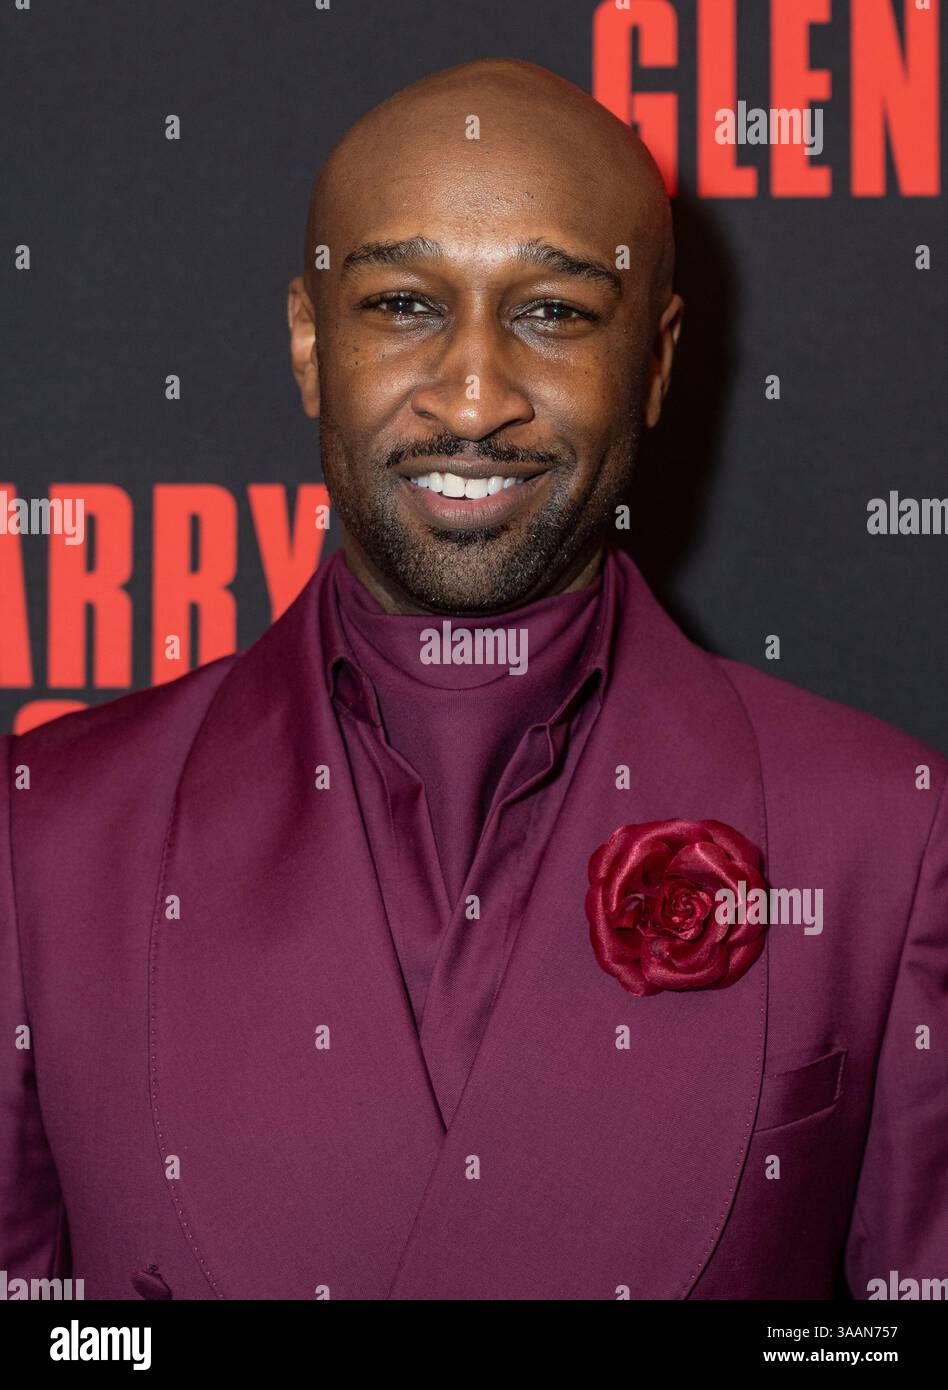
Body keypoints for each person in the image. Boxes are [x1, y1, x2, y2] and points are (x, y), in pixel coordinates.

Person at [2, 59, 945, 1302]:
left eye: (553, 312)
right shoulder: (46, 832)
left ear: (657, 364)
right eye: (402, 303)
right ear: (308, 343)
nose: (474, 394)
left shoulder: (886, 831)